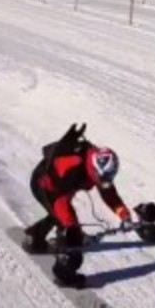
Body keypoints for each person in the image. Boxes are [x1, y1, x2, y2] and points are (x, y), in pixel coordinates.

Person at [23, 123, 132, 287]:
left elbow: (109, 193)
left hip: (58, 188)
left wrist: (124, 215)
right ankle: (63, 274)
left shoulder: (98, 167)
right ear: (94, 169)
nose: (104, 182)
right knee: (72, 235)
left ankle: (35, 238)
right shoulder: (72, 167)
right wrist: (70, 226)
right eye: (102, 178)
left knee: (62, 220)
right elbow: (59, 199)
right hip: (44, 186)